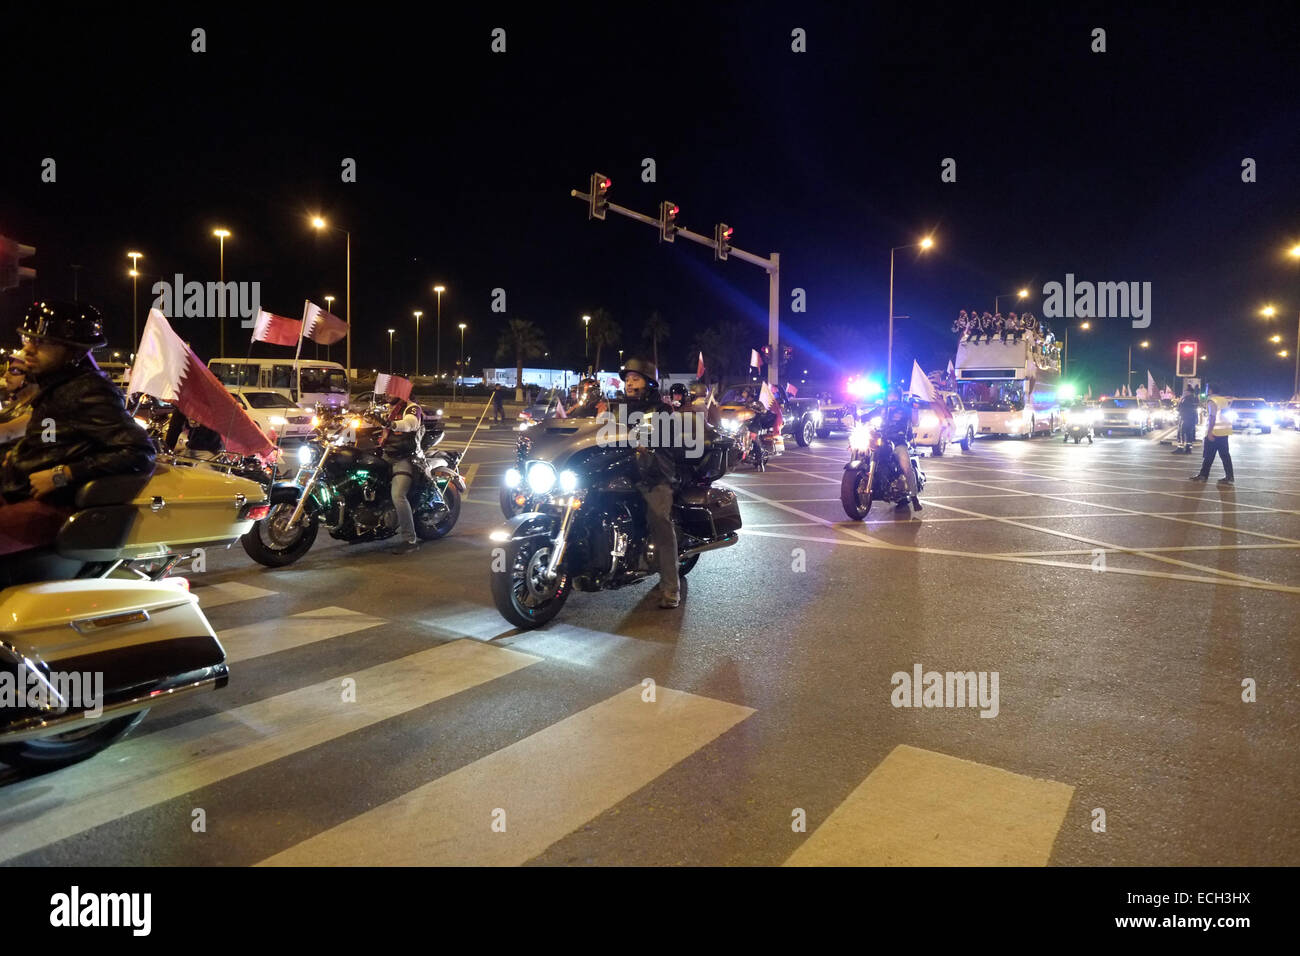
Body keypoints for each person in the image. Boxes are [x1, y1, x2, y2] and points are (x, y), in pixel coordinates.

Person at [0, 301, 156, 556]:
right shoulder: (56, 386)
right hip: (18, 491)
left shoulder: (88, 389)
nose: (28, 348)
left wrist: (62, 474)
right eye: (28, 338)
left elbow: (138, 451)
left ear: (72, 351)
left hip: (50, 506)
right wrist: (17, 454)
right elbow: (54, 441)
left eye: (42, 342)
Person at [617, 358, 681, 609]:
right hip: (627, 473)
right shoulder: (622, 409)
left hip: (655, 474)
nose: (629, 384)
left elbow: (667, 441)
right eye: (627, 379)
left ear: (649, 382)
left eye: (635, 379)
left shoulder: (661, 410)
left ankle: (671, 588)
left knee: (659, 522)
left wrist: (645, 444)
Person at [378, 389, 435, 552]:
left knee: (398, 495)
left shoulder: (411, 408)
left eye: (391, 392)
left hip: (404, 457)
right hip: (386, 454)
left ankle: (409, 539)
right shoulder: (390, 408)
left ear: (403, 392)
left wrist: (392, 424)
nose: (387, 395)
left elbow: (410, 423)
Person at [879, 386, 922, 512]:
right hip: (883, 441)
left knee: (905, 466)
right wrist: (854, 414)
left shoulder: (904, 409)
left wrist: (915, 409)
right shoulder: (883, 408)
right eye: (890, 395)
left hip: (899, 442)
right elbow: (868, 416)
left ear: (899, 397)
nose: (892, 397)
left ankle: (914, 497)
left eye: (894, 395)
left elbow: (915, 422)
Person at [1190, 383, 1232, 484]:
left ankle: (1203, 475)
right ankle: (1229, 477)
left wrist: (1209, 432)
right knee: (1225, 456)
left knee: (1208, 455)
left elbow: (1212, 417)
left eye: (1208, 389)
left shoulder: (1212, 401)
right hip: (1224, 432)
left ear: (1211, 391)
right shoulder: (1224, 400)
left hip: (1214, 432)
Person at [1175, 384, 1199, 452]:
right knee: (1188, 434)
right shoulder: (1193, 398)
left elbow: (1182, 408)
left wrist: (1179, 407)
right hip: (1189, 418)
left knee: (1182, 433)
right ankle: (1188, 448)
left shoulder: (1187, 398)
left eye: (1185, 391)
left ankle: (1181, 448)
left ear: (1188, 392)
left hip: (1185, 418)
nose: (1184, 392)